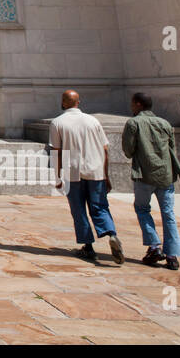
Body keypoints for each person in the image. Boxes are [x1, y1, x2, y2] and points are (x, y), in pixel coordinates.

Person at [50, 90, 124, 264]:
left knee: (79, 210)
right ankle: (111, 234)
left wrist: (57, 177)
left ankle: (88, 247)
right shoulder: (93, 121)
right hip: (95, 171)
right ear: (78, 102)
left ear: (63, 102)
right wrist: (106, 175)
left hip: (72, 172)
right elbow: (105, 150)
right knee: (100, 207)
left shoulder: (57, 123)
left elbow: (56, 152)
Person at [122, 92, 180, 270]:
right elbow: (172, 148)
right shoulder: (165, 123)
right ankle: (172, 255)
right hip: (165, 175)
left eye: (132, 104)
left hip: (144, 174)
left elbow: (128, 150)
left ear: (137, 104)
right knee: (168, 214)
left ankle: (154, 246)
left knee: (142, 209)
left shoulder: (133, 123)